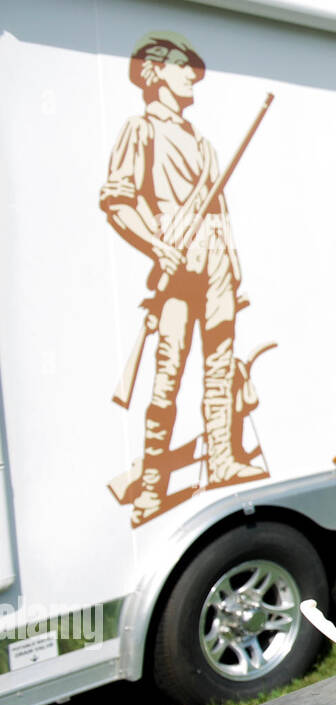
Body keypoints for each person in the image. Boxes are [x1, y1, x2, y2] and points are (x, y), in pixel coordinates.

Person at [100, 32, 268, 528]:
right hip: (177, 263)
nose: (191, 73)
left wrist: (232, 272)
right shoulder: (141, 129)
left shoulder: (204, 143)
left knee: (219, 368)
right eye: (180, 65)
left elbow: (222, 212)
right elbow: (118, 199)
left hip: (216, 264)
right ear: (155, 72)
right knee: (167, 376)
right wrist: (157, 247)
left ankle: (222, 458)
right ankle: (152, 486)